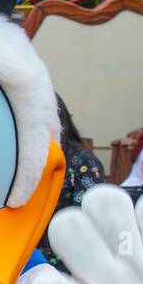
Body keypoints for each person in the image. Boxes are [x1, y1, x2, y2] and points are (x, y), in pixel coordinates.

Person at [40, 94, 104, 266]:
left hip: (67, 263)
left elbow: (86, 220)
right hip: (32, 260)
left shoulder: (83, 162)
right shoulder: (31, 160)